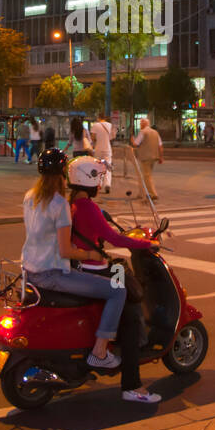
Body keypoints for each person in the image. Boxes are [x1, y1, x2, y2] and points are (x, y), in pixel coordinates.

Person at [66, 156, 161, 403]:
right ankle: (132, 385)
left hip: (81, 267)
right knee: (131, 312)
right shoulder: (87, 207)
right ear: (88, 181)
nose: (99, 185)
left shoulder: (73, 203)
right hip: (92, 268)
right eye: (97, 179)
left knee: (122, 283)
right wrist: (147, 243)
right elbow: (114, 239)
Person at [21, 149, 125, 369]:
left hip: (29, 270)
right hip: (51, 274)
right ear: (63, 175)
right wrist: (91, 254)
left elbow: (42, 235)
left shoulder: (30, 197)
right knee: (117, 291)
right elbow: (65, 251)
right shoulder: (59, 205)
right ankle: (99, 352)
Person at [132, 118, 164, 201]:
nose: (140, 125)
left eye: (140, 124)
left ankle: (153, 193)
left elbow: (136, 144)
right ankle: (141, 192)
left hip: (145, 157)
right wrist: (161, 157)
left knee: (147, 176)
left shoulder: (143, 132)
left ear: (143, 124)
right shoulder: (155, 132)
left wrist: (132, 140)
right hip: (154, 157)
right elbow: (160, 146)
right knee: (147, 175)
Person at [90, 111, 115, 194]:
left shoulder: (95, 125)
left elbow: (93, 138)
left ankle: (98, 184)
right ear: (105, 117)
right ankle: (107, 184)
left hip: (98, 149)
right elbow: (112, 137)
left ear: (98, 117)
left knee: (98, 167)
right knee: (108, 167)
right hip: (107, 149)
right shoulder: (110, 125)